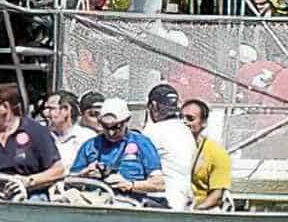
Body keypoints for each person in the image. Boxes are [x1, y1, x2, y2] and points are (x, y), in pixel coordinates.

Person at [69, 97, 165, 206]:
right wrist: (84, 174)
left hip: (130, 205)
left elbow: (160, 184)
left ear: (127, 120)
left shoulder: (142, 143)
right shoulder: (90, 145)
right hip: (96, 204)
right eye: (105, 127)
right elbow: (69, 182)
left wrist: (130, 185)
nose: (111, 133)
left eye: (116, 127)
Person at [0, 83, 65, 196]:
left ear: (5, 107)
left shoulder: (35, 131)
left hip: (30, 196)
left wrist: (28, 181)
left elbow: (58, 170)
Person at [140, 83, 195, 211]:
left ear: (153, 106)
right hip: (185, 201)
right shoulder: (186, 131)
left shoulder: (152, 132)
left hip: (162, 202)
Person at [182, 99, 231, 211]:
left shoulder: (217, 153)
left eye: (190, 118)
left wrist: (195, 213)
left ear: (204, 123)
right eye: (181, 117)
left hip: (202, 212)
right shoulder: (170, 147)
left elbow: (217, 195)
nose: (184, 122)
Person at [43, 91, 93, 158]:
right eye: (45, 108)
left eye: (51, 108)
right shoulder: (41, 136)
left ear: (66, 110)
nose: (45, 113)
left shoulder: (86, 138)